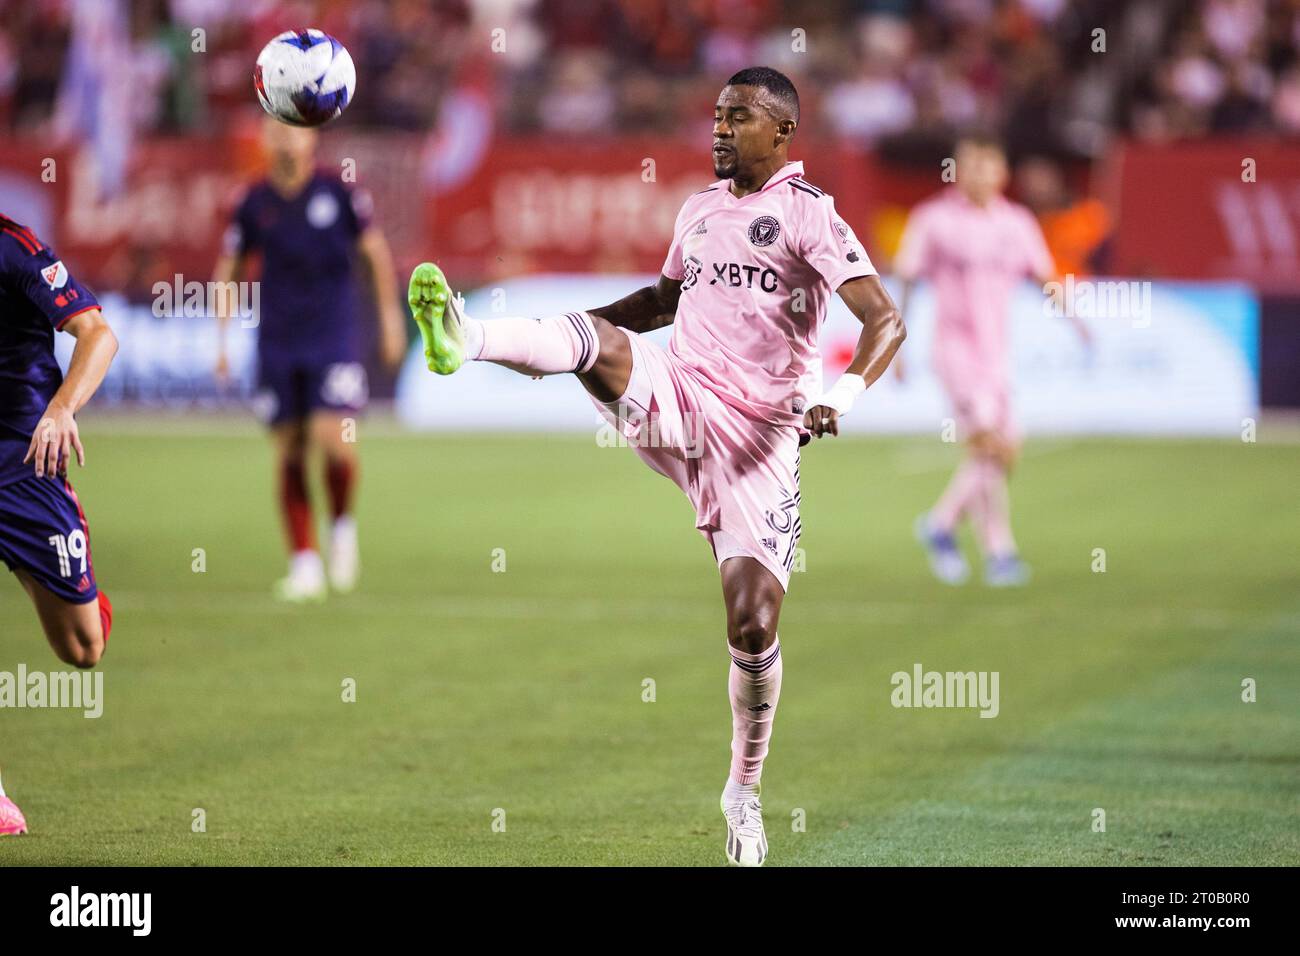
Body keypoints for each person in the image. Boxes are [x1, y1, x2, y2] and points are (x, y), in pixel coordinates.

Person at [406, 67, 904, 865]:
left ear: (781, 132)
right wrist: (563, 333)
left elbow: (886, 320)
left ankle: (744, 789)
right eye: (715, 115)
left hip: (763, 443)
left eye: (737, 117)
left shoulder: (810, 216)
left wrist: (839, 398)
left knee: (754, 621)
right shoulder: (699, 211)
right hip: (683, 396)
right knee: (595, 345)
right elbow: (662, 303)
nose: (718, 128)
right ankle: (467, 340)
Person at [214, 118, 406, 601]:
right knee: (290, 448)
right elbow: (230, 268)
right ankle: (304, 563)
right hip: (278, 339)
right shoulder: (253, 202)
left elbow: (375, 255)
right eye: (275, 129)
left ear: (312, 137)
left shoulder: (339, 195)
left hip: (334, 335)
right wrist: (219, 337)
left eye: (294, 129)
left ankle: (341, 529)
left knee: (336, 440)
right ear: (263, 139)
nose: (285, 138)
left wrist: (389, 319)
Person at [896, 132, 1088, 586]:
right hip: (955, 353)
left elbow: (1044, 276)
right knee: (988, 444)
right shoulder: (933, 219)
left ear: (1002, 173)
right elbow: (906, 280)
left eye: (988, 166)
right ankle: (1000, 552)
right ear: (956, 170)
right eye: (970, 166)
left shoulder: (1017, 222)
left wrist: (1076, 321)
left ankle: (941, 524)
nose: (979, 175)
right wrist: (898, 343)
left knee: (1005, 451)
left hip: (997, 356)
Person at [0, 215, 119, 835]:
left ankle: (81, 588)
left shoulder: (14, 247)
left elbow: (97, 333)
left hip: (24, 457)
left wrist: (61, 408)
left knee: (82, 649)